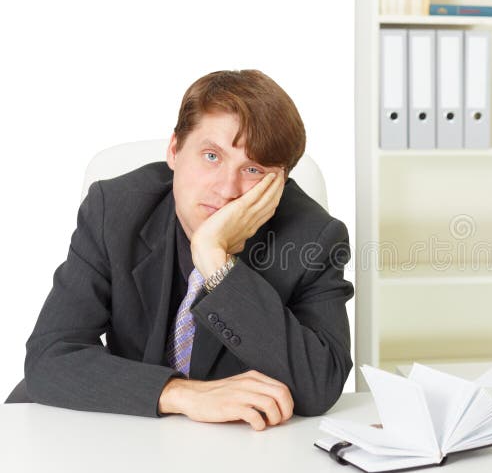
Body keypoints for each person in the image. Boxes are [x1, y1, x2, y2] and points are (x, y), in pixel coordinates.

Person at [12, 70, 354, 431]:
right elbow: (51, 355)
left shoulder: (314, 238)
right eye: (211, 156)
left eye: (253, 169)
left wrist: (217, 262)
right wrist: (181, 394)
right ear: (174, 150)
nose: (227, 189)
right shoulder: (114, 210)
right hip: (123, 434)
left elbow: (320, 384)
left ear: (279, 184)